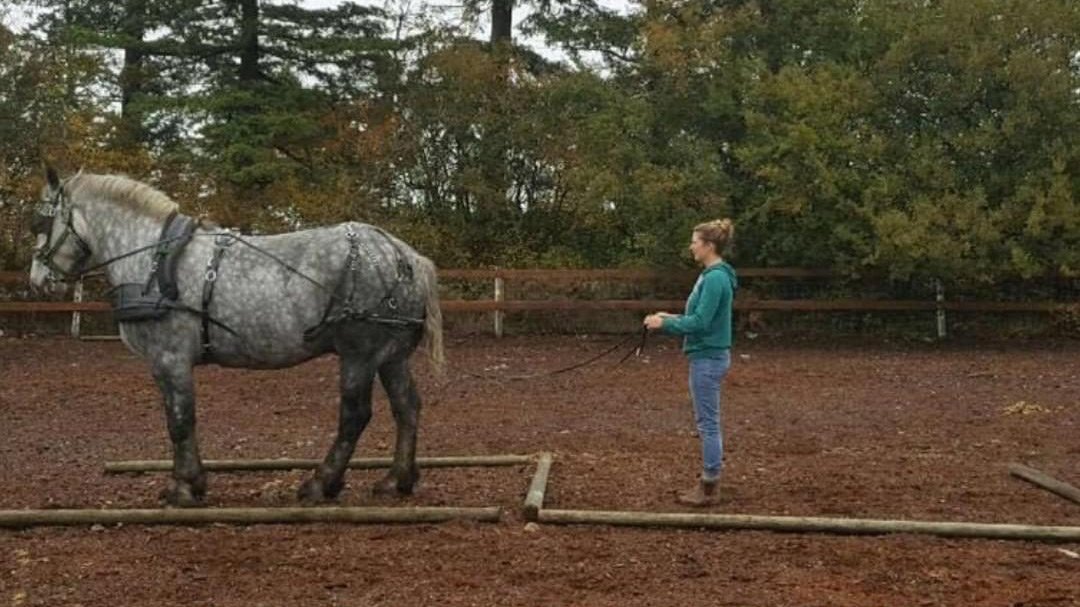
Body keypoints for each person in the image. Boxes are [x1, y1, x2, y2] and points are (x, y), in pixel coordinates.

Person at [644, 218, 738, 507]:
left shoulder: (715, 279)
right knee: (707, 421)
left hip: (707, 358)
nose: (691, 246)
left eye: (695, 241)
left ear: (709, 246)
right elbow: (698, 317)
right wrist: (668, 317)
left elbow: (700, 322)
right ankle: (709, 481)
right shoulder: (713, 275)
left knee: (708, 423)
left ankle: (709, 486)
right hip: (708, 356)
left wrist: (665, 324)